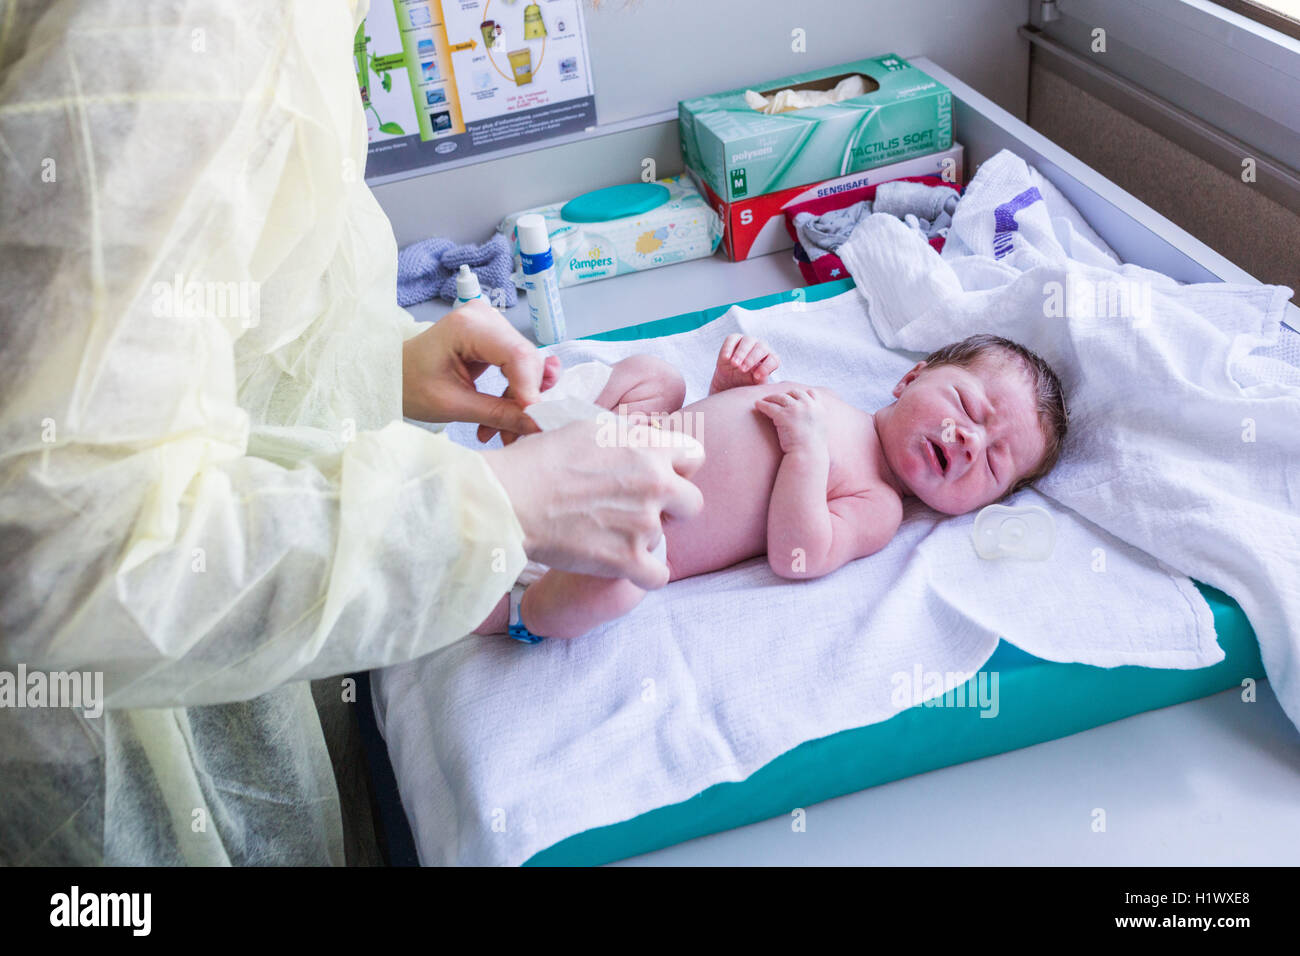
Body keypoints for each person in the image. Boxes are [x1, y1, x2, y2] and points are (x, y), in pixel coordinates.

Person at [0, 0, 702, 865]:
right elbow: (57, 549)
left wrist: (376, 365)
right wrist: (497, 509)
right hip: (103, 721)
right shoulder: (178, 29)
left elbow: (188, 315)